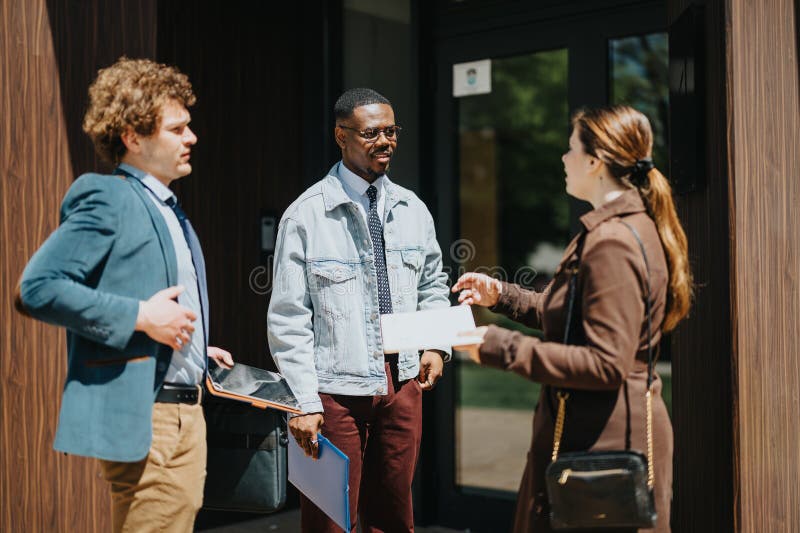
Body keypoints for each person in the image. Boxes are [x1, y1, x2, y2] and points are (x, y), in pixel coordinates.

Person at [16, 57, 234, 533]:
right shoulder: (110, 196)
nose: (191, 137)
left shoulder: (166, 208)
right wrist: (141, 317)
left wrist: (195, 350)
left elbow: (160, 301)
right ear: (134, 139)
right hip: (149, 418)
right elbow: (37, 288)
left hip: (183, 409)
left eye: (188, 127)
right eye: (177, 129)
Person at [453, 105, 692, 533]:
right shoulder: (614, 230)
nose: (563, 159)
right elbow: (577, 318)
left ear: (595, 161)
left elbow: (605, 362)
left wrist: (496, 345)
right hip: (594, 435)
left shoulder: (613, 242)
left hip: (604, 447)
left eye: (570, 149)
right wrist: (503, 296)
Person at [268, 88, 450, 532]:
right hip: (332, 393)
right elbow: (289, 318)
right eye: (372, 133)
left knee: (393, 516)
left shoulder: (413, 209)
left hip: (402, 383)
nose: (385, 141)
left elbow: (433, 284)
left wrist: (436, 345)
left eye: (391, 131)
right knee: (330, 519)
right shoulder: (306, 216)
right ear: (341, 135)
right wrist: (304, 402)